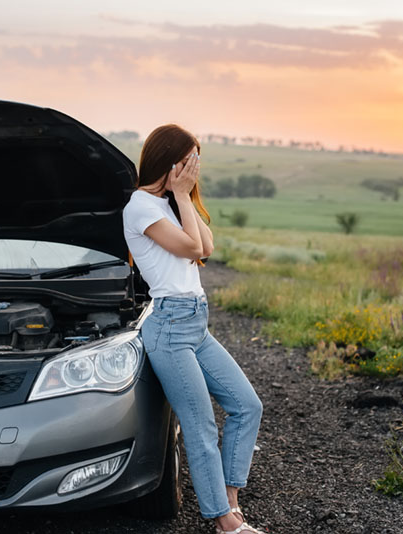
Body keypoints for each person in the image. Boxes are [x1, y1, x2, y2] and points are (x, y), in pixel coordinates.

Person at [122, 124, 265, 534]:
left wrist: (183, 196)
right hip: (168, 327)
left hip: (195, 323)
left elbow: (208, 244)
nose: (191, 171)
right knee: (200, 424)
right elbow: (192, 249)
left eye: (195, 163)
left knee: (246, 405)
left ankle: (230, 500)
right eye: (186, 163)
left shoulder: (170, 203)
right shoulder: (140, 206)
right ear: (166, 161)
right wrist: (182, 195)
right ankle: (224, 522)